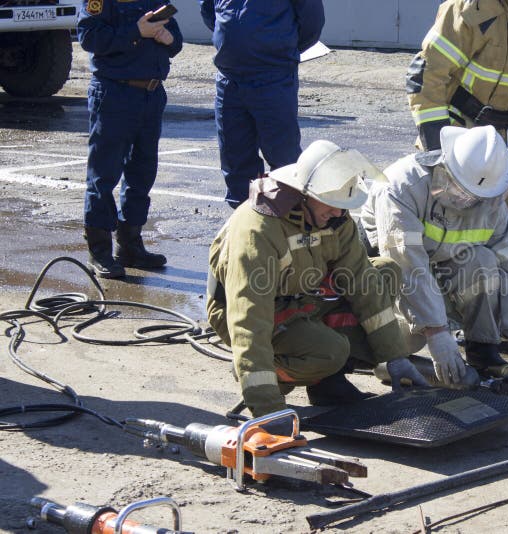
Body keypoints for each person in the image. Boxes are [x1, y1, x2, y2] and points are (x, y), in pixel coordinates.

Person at [206, 140, 427, 417]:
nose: (339, 213)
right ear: (303, 194)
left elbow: (362, 282)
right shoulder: (258, 230)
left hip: (300, 292)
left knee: (383, 272)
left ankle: (328, 384)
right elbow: (249, 318)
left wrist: (394, 357)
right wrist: (267, 407)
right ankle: (270, 373)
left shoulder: (334, 217)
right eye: (332, 205)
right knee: (329, 351)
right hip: (248, 310)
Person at [406, 0, 508, 326]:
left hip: (506, 141)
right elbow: (427, 75)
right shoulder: (470, 11)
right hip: (456, 136)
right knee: (447, 224)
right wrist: (437, 145)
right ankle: (446, 314)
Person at [359, 126, 508, 386]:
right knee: (409, 339)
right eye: (464, 194)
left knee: (483, 261)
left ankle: (482, 351)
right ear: (445, 170)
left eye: (478, 198)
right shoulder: (402, 187)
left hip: (436, 273)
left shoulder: (490, 202)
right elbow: (408, 267)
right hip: (388, 281)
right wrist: (436, 333)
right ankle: (387, 359)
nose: (468, 204)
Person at [77, 0, 183, 279]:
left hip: (151, 93)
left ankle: (130, 246)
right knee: (104, 174)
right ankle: (99, 251)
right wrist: (136, 31)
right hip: (115, 92)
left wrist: (168, 38)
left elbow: (176, 41)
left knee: (142, 172)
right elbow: (89, 37)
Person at [199, 0, 324, 208]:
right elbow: (209, 12)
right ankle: (245, 221)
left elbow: (312, 23)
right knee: (235, 159)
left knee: (284, 158)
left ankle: (289, 223)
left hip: (273, 77)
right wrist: (236, 42)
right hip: (230, 78)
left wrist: (279, 47)